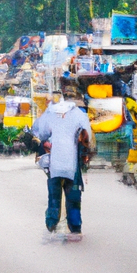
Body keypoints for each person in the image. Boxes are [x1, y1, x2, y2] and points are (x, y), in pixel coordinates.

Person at [31, 97, 94, 239]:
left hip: (55, 163)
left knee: (54, 196)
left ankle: (52, 223)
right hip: (72, 164)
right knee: (73, 196)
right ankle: (75, 227)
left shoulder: (50, 113)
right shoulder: (78, 114)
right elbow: (88, 135)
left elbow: (41, 133)